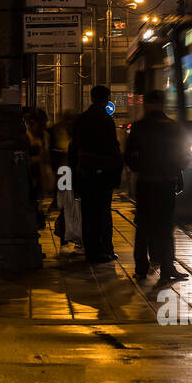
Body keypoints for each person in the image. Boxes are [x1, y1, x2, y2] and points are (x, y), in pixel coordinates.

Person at [124, 89, 189, 284]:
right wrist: (178, 173)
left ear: (146, 104)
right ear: (163, 104)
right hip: (166, 182)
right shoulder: (173, 127)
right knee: (165, 226)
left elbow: (128, 154)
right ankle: (167, 267)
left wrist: (138, 169)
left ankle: (141, 268)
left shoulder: (138, 127)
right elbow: (182, 156)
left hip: (145, 182)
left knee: (143, 226)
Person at [68, 85, 122, 263]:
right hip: (103, 175)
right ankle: (105, 249)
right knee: (103, 213)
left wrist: (73, 178)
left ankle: (91, 250)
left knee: (88, 212)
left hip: (85, 173)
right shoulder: (106, 120)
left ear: (91, 99)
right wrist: (116, 175)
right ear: (106, 99)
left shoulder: (81, 119)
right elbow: (114, 150)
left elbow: (73, 150)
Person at [50, 110, 83, 253]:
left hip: (65, 172)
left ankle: (69, 240)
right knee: (69, 207)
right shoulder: (73, 136)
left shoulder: (59, 131)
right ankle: (70, 239)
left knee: (68, 207)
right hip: (66, 173)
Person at [25, 108, 52, 229]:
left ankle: (38, 217)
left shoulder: (45, 136)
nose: (42, 127)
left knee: (38, 199)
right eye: (40, 124)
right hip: (28, 175)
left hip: (40, 174)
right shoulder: (25, 137)